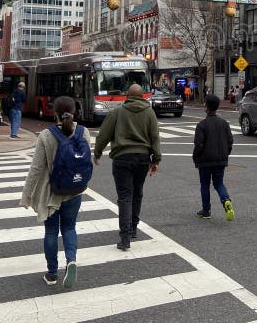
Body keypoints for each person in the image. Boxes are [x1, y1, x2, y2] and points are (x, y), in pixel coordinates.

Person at [20, 95, 90, 288]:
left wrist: (27, 195)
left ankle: (52, 274)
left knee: (51, 231)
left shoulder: (46, 135)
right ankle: (71, 260)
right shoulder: (84, 133)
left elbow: (36, 168)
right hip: (75, 189)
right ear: (74, 111)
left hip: (51, 192)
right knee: (69, 227)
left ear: (54, 112)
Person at [93, 84, 161, 250]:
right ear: (142, 96)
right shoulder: (149, 112)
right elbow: (155, 137)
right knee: (137, 192)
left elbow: (103, 135)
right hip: (143, 158)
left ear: (127, 96)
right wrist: (156, 160)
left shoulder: (117, 112)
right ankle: (133, 228)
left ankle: (124, 238)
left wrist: (97, 153)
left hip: (122, 157)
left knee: (124, 196)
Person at [193, 94, 234, 220]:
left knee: (205, 185)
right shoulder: (224, 124)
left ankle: (206, 210)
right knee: (219, 183)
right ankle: (226, 200)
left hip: (205, 161)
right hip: (220, 160)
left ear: (206, 107)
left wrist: (195, 157)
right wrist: (225, 154)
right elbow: (230, 141)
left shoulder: (202, 125)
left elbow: (198, 144)